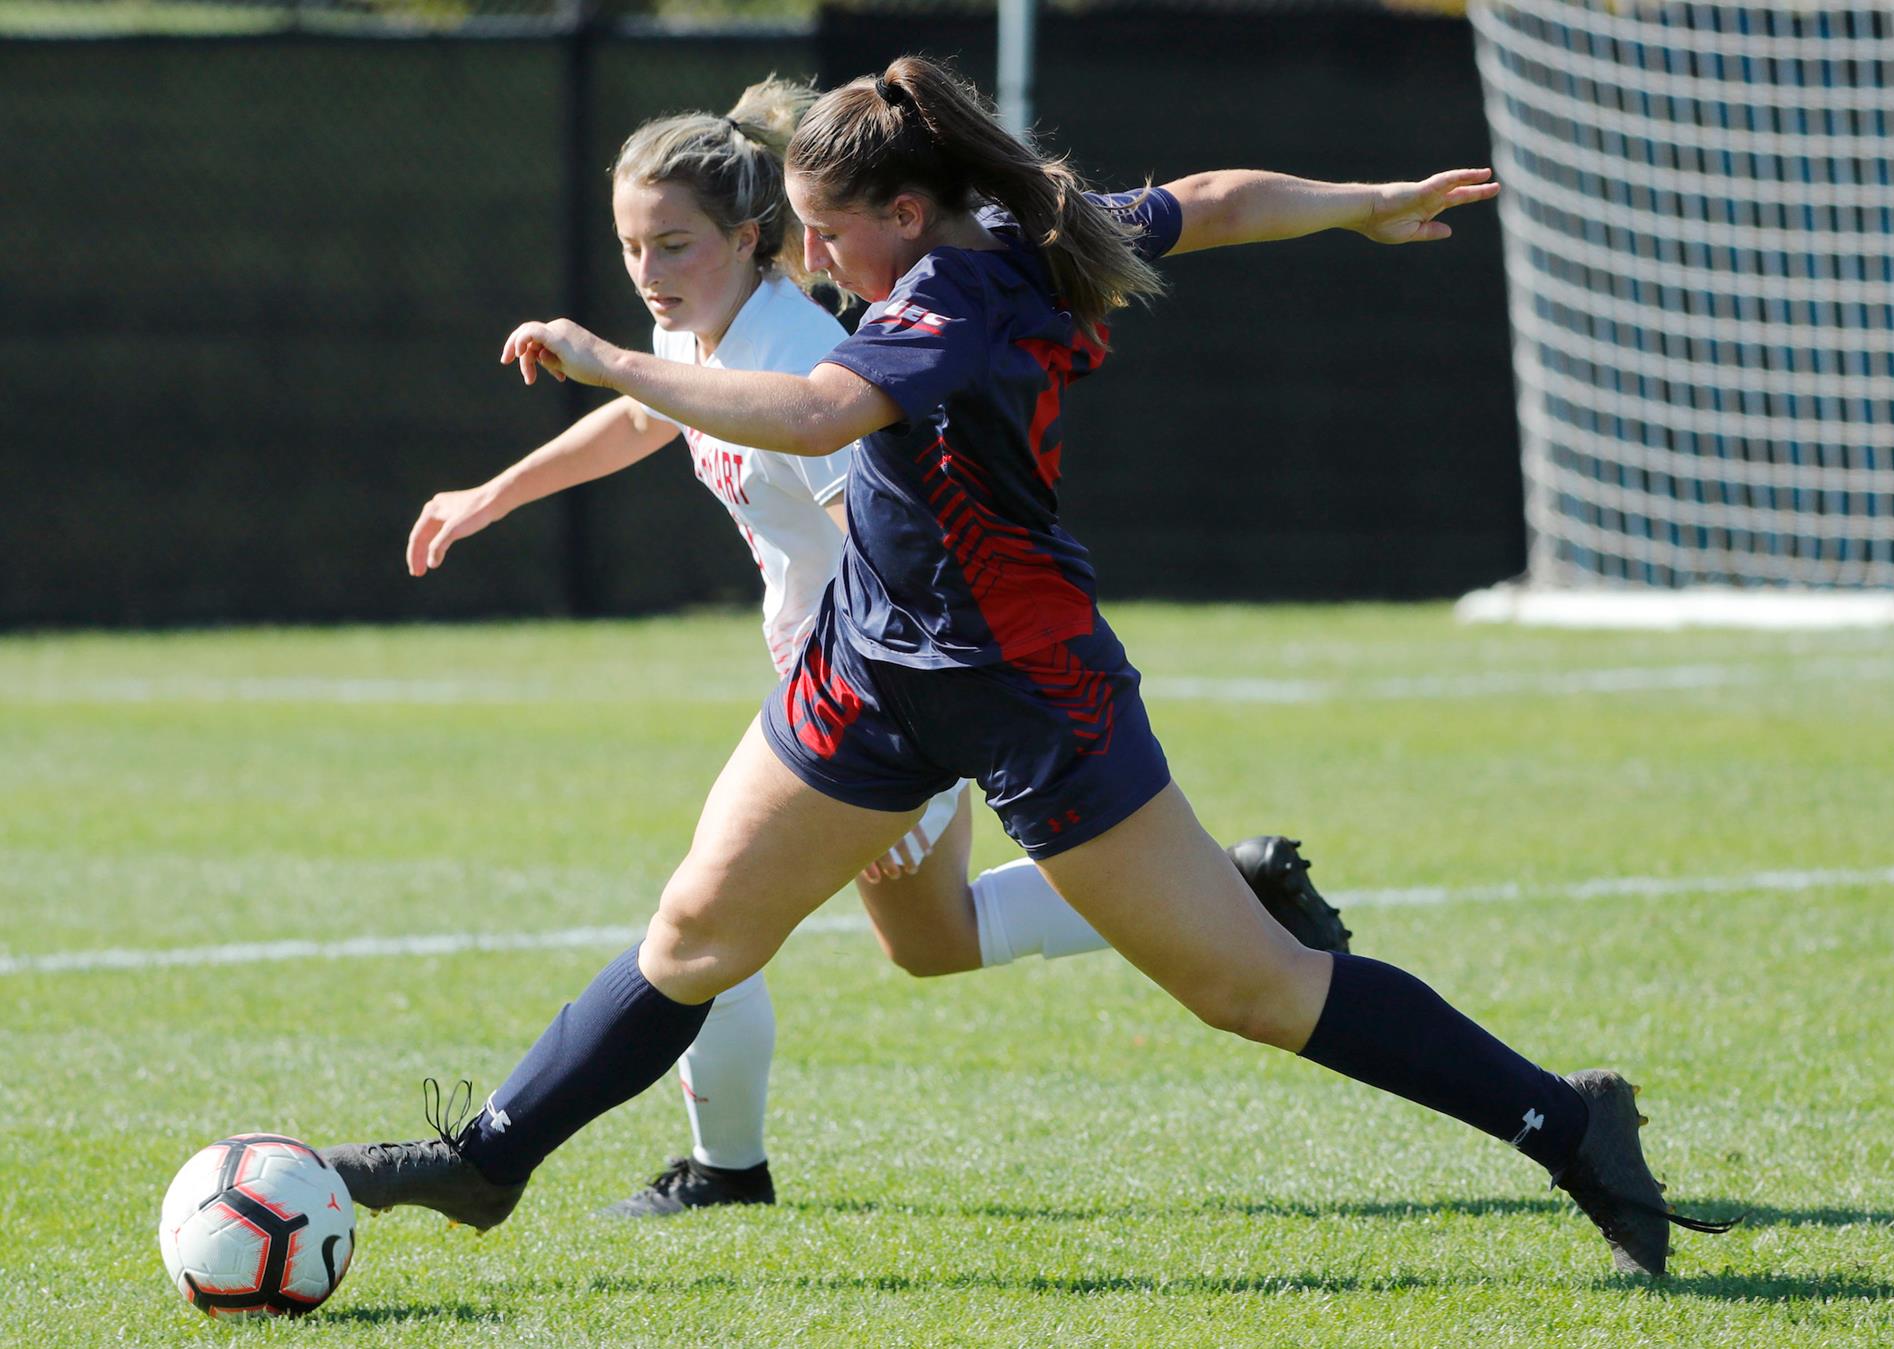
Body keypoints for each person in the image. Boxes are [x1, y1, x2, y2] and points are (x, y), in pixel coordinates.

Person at [330, 57, 1735, 1276]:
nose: (814, 265)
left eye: (827, 237)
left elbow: (820, 413)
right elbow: (1217, 200)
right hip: (872, 664)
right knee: (696, 935)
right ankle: (488, 1159)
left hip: (1023, 680)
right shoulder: (1016, 228)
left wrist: (613, 361)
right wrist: (1355, 204)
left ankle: (1563, 1121)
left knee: (1249, 989)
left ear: (902, 212)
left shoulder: (961, 288)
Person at [396, 78, 1353, 1221]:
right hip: (844, 674)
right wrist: (496, 491)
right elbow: (655, 409)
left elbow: (898, 532)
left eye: (672, 243)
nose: (648, 270)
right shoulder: (701, 323)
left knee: (701, 930)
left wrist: (899, 736)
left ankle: (722, 1169)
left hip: (883, 678)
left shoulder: (800, 349)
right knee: (930, 943)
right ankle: (1232, 894)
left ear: (749, 237)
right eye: (630, 245)